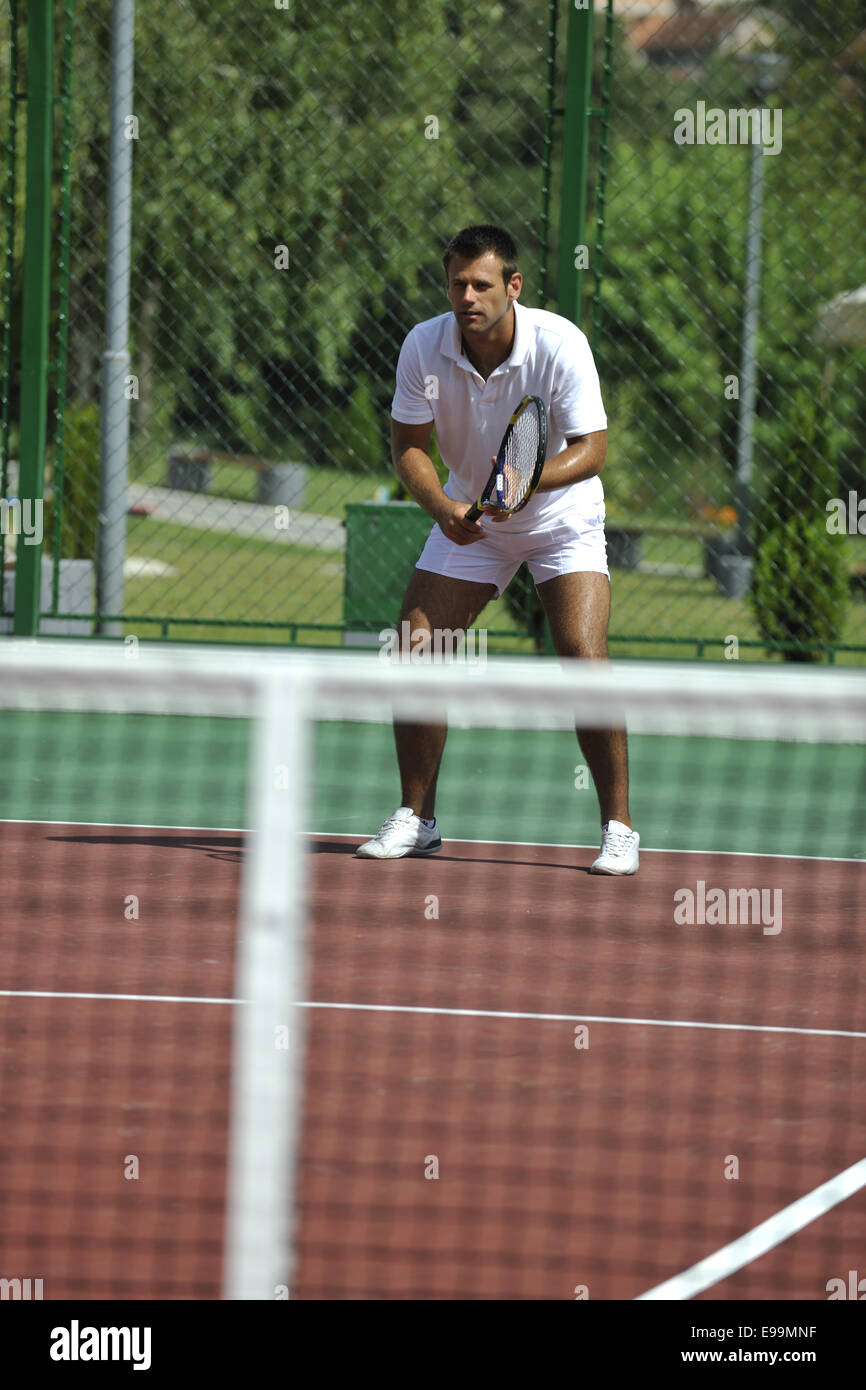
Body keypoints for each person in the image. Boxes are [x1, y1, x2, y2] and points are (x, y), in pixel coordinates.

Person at [356, 224, 639, 875]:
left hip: (561, 519)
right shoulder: (424, 347)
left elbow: (591, 449)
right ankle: (418, 818)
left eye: (482, 284)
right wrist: (445, 508)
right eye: (457, 283)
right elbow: (408, 446)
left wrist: (524, 483)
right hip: (471, 522)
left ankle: (619, 827)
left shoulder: (560, 342)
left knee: (583, 658)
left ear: (513, 286)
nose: (467, 296)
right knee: (414, 649)